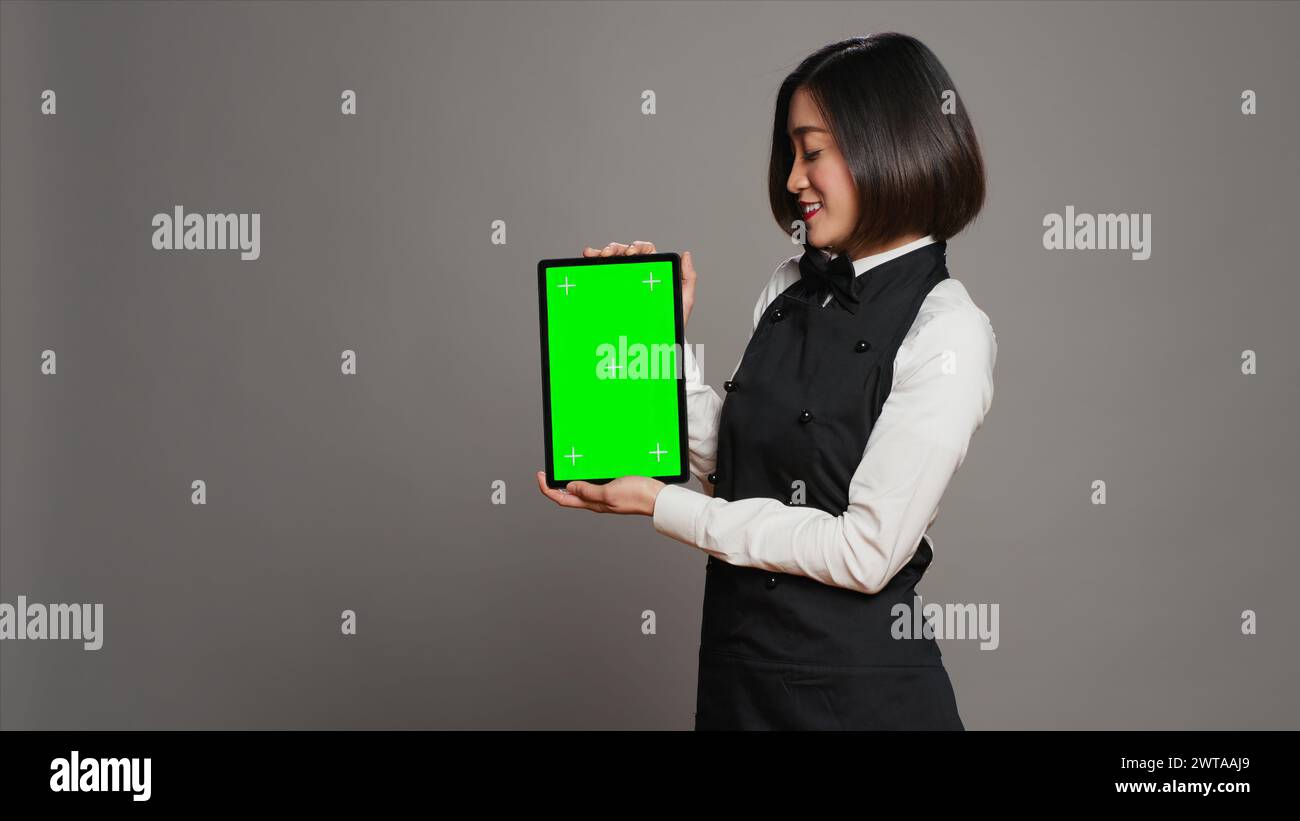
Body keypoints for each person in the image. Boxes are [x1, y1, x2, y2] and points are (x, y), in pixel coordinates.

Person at [537, 33, 996, 730]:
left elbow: (866, 551)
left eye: (812, 151)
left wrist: (663, 507)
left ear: (890, 143)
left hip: (862, 702)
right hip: (738, 680)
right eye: (792, 154)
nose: (791, 180)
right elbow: (743, 468)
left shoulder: (949, 330)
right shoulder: (786, 287)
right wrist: (653, 347)